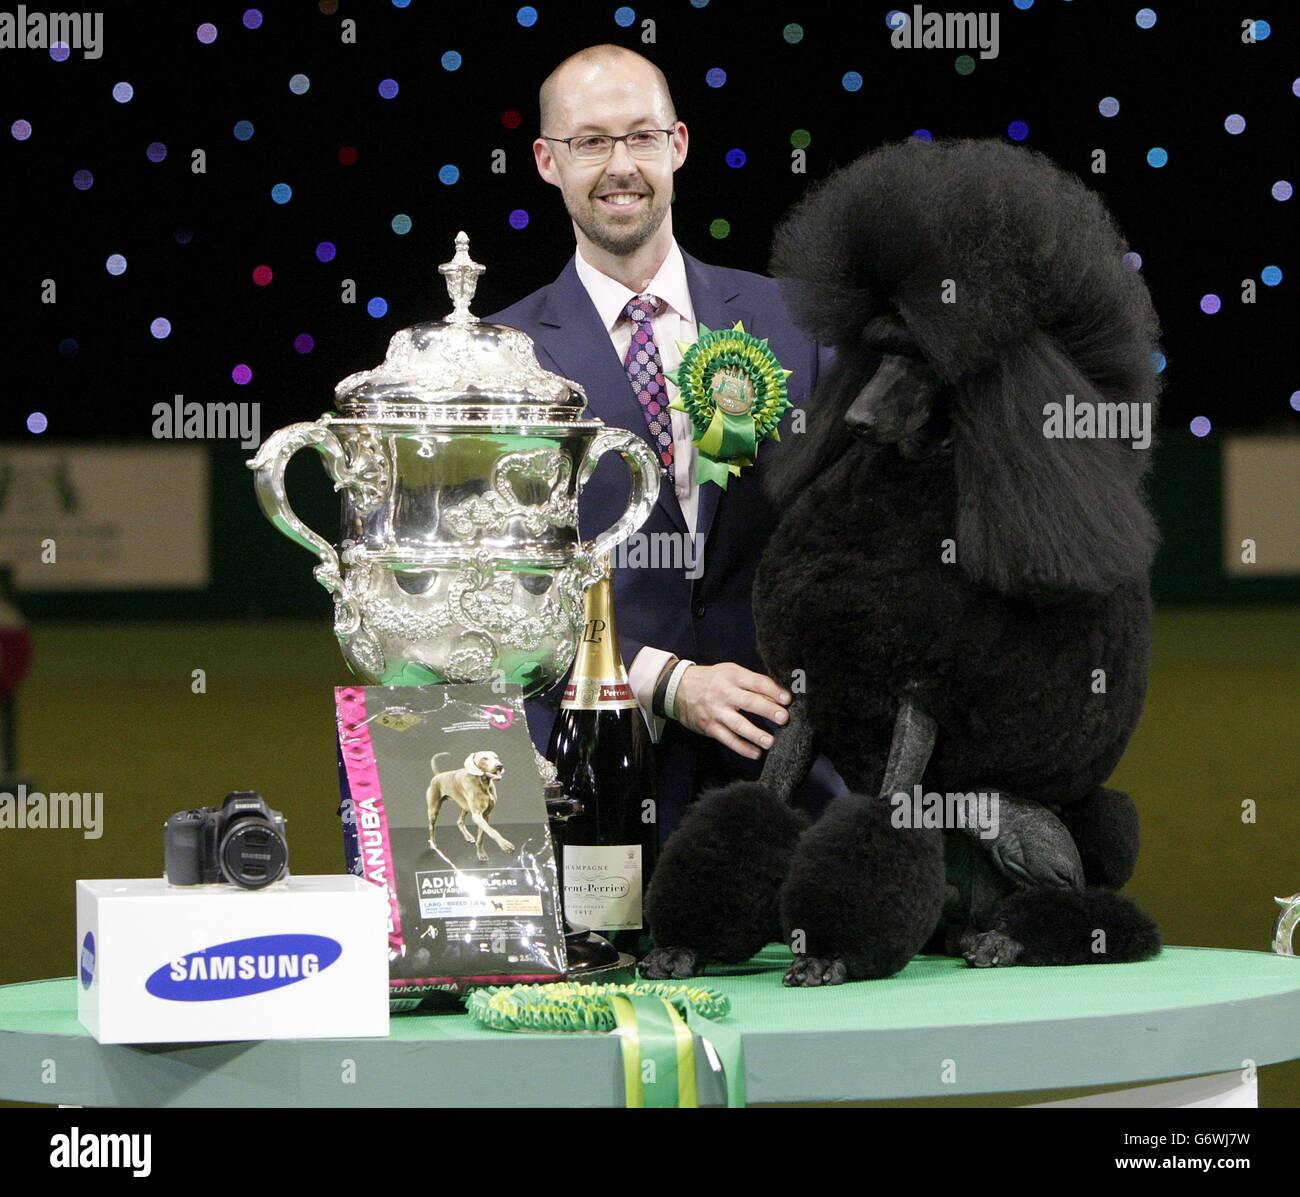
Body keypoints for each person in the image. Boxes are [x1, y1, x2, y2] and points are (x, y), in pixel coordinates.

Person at [487, 44, 845, 840]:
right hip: (593, 785)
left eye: (641, 137)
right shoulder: (499, 358)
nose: (621, 165)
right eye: (590, 142)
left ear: (677, 145)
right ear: (548, 162)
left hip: (783, 781)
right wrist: (670, 681)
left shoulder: (796, 322)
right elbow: (500, 595)